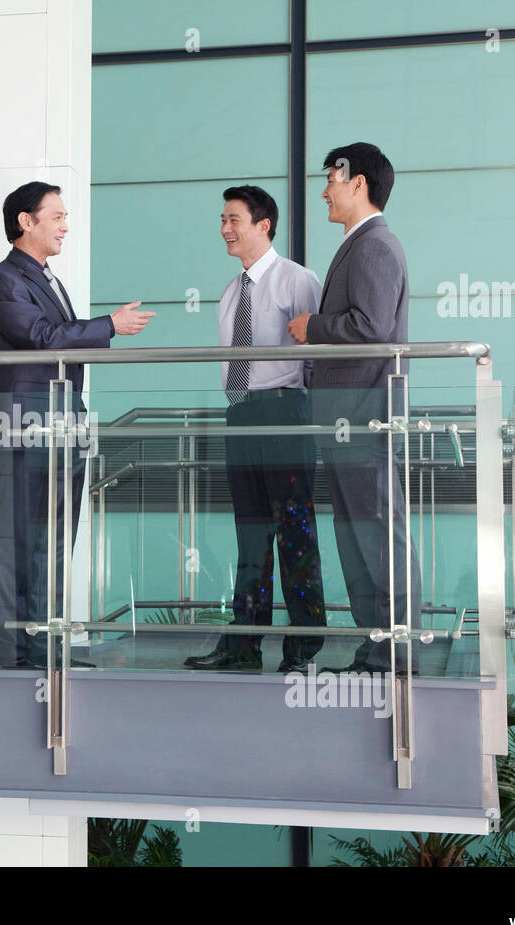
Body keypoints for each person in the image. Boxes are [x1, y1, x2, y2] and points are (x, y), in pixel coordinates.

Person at [0, 182, 153, 666]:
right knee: (21, 537)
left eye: (65, 216)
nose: (65, 226)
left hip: (60, 422)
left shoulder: (47, 279)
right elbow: (42, 337)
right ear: (25, 221)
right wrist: (109, 326)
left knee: (54, 538)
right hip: (24, 423)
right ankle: (13, 646)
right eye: (55, 216)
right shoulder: (4, 280)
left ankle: (46, 643)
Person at [287, 142, 422, 675]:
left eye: (331, 180)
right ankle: (377, 649)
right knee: (357, 539)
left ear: (358, 183)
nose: (324, 190)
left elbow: (371, 330)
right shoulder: (359, 245)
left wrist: (310, 328)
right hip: (348, 422)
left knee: (377, 536)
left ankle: (396, 649)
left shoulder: (375, 248)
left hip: (364, 419)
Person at [184, 186, 327, 672]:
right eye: (222, 220)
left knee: (295, 533)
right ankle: (244, 643)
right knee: (251, 535)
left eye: (234, 220)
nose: (225, 229)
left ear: (264, 225)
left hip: (286, 412)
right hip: (241, 414)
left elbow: (316, 358)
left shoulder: (297, 281)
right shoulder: (230, 292)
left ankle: (304, 647)